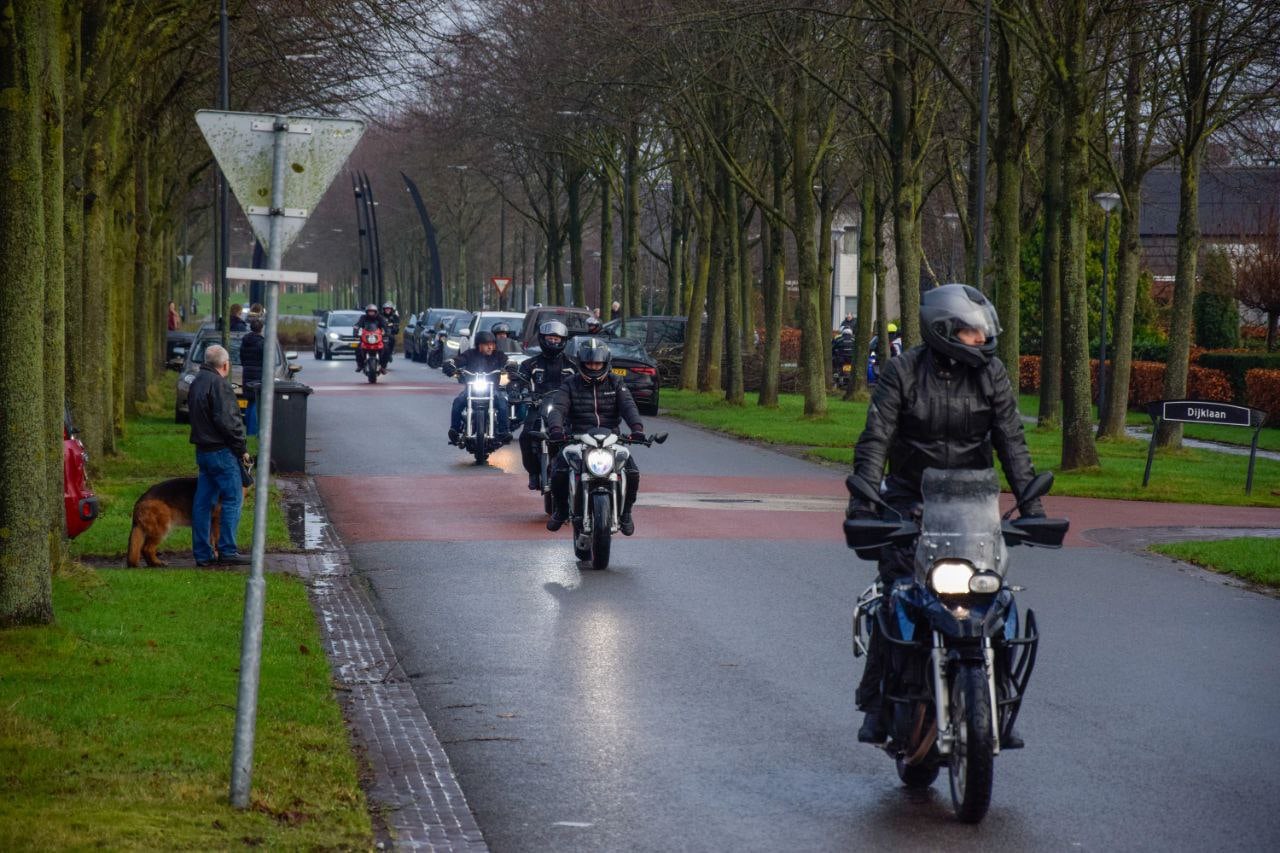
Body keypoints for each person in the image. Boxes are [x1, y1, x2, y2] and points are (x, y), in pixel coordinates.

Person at [846, 284, 1043, 745]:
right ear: (944, 330)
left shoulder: (991, 374)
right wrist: (865, 505)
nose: (983, 339)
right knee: (897, 592)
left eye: (984, 331)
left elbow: (1011, 442)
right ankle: (877, 703)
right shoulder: (902, 372)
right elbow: (876, 439)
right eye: (973, 332)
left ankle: (995, 698)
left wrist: (1032, 506)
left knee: (995, 600)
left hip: (973, 508)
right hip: (909, 501)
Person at [544, 338, 645, 536]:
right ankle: (561, 510)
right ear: (581, 363)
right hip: (577, 438)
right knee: (558, 470)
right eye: (589, 363)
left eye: (597, 363)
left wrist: (637, 429)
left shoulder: (616, 382)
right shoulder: (570, 383)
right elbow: (558, 407)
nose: (593, 367)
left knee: (632, 471)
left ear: (605, 363)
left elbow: (628, 406)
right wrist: (556, 428)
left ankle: (626, 513)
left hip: (611, 438)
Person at [187, 344, 251, 567]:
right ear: (225, 365)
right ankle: (227, 550)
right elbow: (229, 422)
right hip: (221, 452)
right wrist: (242, 448)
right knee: (233, 499)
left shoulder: (196, 382)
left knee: (202, 503)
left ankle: (202, 554)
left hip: (203, 451)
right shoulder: (219, 385)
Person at [511, 321, 575, 490]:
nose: (553, 341)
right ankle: (533, 472)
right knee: (525, 436)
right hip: (537, 406)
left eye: (556, 338)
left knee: (576, 436)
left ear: (563, 340)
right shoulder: (530, 364)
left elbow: (584, 383)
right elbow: (518, 380)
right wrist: (515, 391)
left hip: (565, 408)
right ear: (542, 339)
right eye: (550, 338)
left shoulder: (572, 364)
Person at [443, 330, 511, 445]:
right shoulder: (470, 354)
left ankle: (503, 431)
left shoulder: (498, 355)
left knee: (502, 403)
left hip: (492, 390)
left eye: (492, 344)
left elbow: (507, 361)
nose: (490, 347)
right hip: (471, 390)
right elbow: (458, 360)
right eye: (487, 344)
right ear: (479, 345)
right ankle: (455, 429)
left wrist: (511, 365)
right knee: (458, 401)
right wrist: (451, 364)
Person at [240, 318, 265, 436]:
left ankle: (249, 431)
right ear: (261, 328)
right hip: (258, 375)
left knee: (250, 402)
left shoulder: (245, 341)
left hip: (247, 373)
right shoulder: (262, 343)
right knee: (256, 402)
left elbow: (242, 358)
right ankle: (253, 432)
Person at [353, 304, 388, 373]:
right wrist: (355, 332)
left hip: (377, 337)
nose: (371, 313)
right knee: (358, 348)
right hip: (365, 337)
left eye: (372, 311)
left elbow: (385, 326)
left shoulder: (380, 318)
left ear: (375, 312)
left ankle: (383, 367)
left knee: (386, 348)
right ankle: (360, 365)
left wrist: (387, 333)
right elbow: (358, 325)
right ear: (367, 312)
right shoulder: (363, 317)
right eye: (369, 311)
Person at [380, 302, 400, 368]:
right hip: (380, 332)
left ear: (391, 309)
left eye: (389, 309)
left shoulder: (394, 316)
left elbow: (397, 325)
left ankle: (389, 353)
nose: (387, 310)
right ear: (384, 309)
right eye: (386, 309)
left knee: (392, 339)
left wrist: (395, 328)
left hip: (389, 333)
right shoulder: (380, 315)